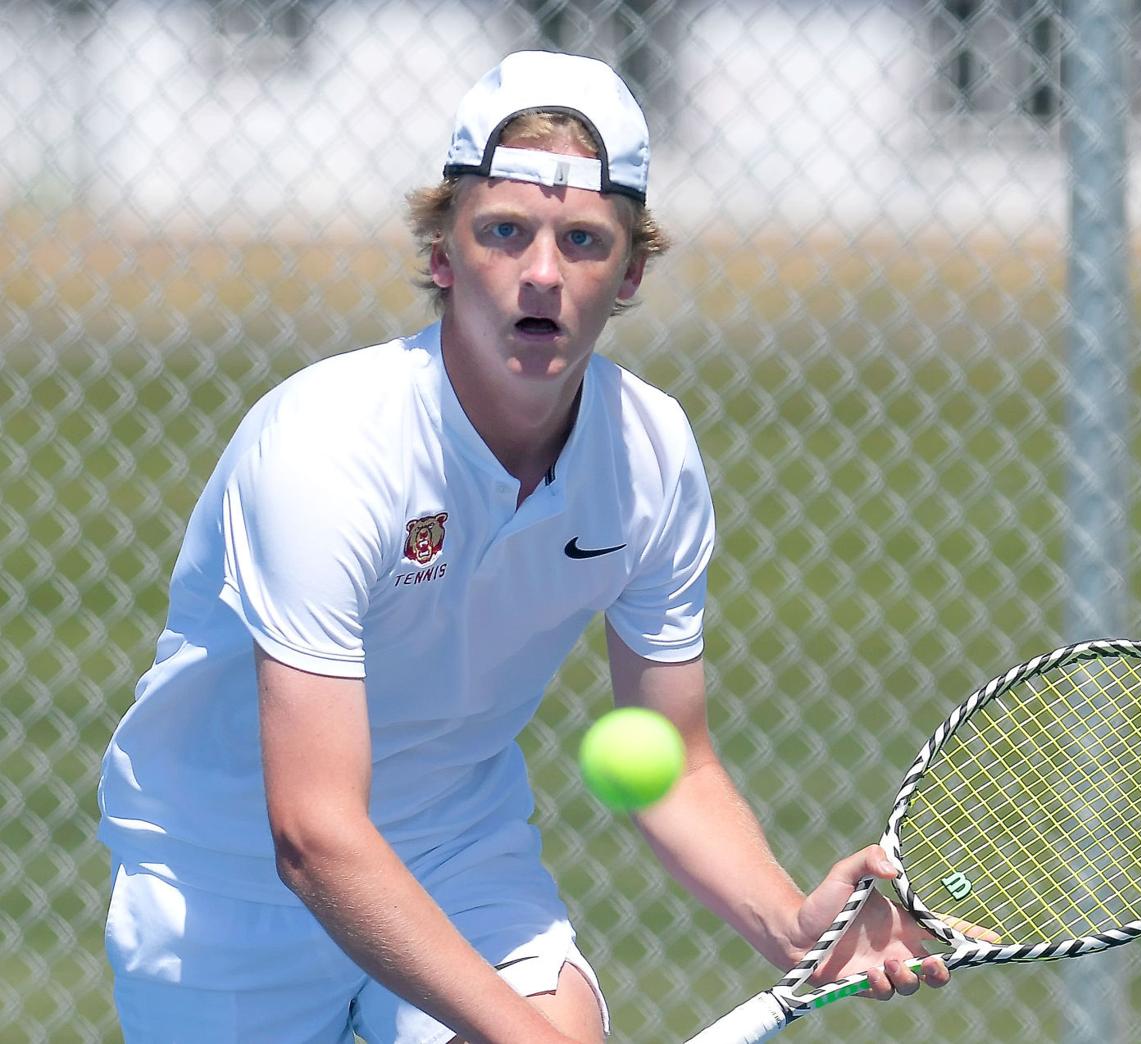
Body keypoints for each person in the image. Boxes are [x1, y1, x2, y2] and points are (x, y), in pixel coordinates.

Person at [98, 50, 952, 1043]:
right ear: (443, 256)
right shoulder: (325, 448)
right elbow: (315, 834)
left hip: (461, 856)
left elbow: (670, 760)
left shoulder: (650, 456)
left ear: (629, 270)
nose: (542, 273)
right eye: (505, 232)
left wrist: (792, 926)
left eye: (583, 241)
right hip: (224, 883)